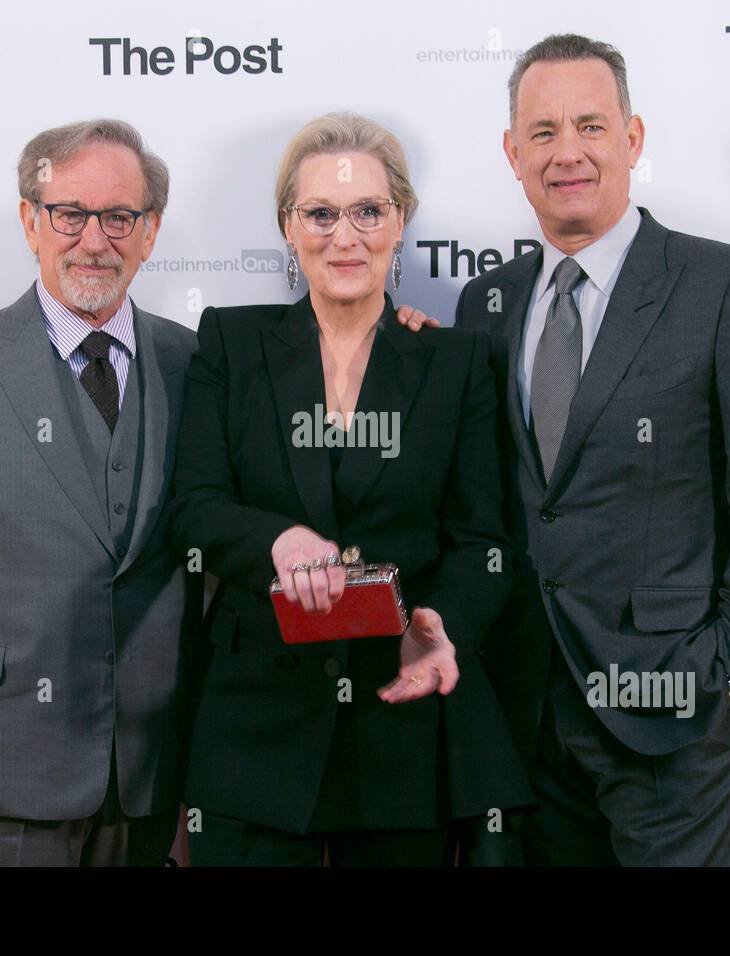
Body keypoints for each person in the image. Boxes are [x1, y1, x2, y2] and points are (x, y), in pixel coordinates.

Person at [454, 35, 730, 865]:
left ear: (633, 137)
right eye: (542, 133)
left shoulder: (728, 286)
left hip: (671, 717)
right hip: (526, 716)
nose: (568, 152)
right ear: (513, 154)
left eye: (590, 124)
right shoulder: (487, 302)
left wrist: (727, 674)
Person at [167, 112, 532, 866]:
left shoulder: (458, 360)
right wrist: (277, 540)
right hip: (255, 735)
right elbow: (194, 510)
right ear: (288, 227)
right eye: (321, 214)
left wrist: (439, 622)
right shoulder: (230, 344)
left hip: (404, 727)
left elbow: (483, 541)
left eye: (369, 211)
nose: (346, 235)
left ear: (401, 222)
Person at [0, 118, 201, 866]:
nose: (95, 240)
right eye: (70, 215)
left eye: (120, 217)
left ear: (149, 231)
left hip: (153, 769)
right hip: (6, 766)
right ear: (31, 221)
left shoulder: (193, 362)